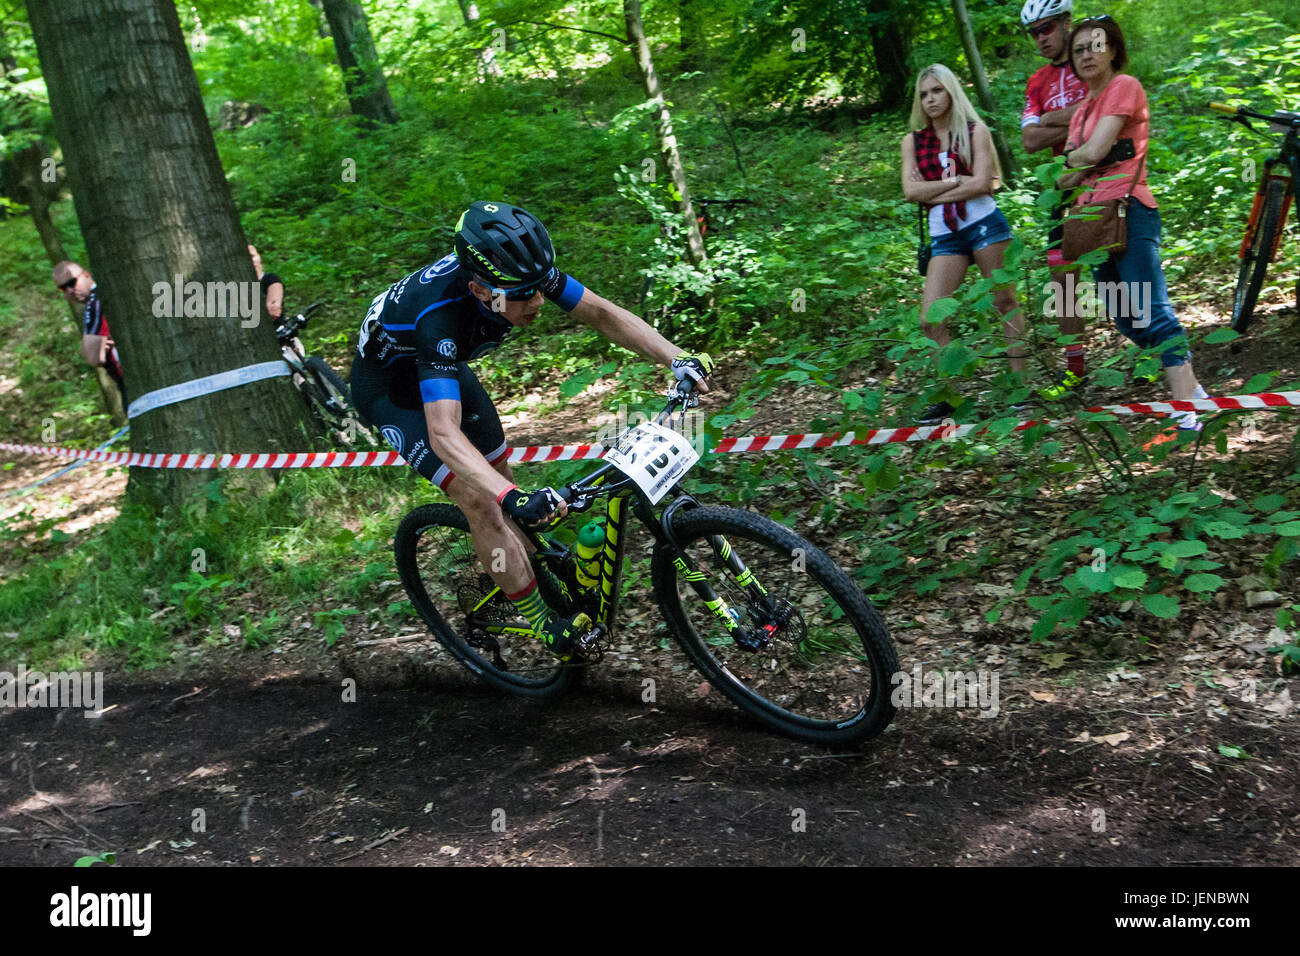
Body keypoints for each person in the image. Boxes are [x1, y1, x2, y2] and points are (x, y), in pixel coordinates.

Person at [349, 200, 714, 658]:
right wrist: (508, 499)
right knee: (485, 499)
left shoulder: (518, 273)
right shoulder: (439, 319)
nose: (538, 301)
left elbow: (601, 313)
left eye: (540, 287)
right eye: (523, 294)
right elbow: (443, 434)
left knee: (507, 487)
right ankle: (545, 624)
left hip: (443, 369)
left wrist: (675, 356)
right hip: (391, 390)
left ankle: (524, 567)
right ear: (482, 291)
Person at [1058, 16, 1207, 431]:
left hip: (1129, 211)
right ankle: (1192, 390)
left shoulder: (1125, 87)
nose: (1087, 54)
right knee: (1126, 318)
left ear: (1113, 50)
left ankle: (1187, 416)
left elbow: (1090, 153)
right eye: (1079, 49)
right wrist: (1083, 158)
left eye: (1096, 45)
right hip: (1092, 221)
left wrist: (1086, 157)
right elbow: (1065, 173)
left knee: (1155, 314)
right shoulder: (1080, 112)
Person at [901, 64, 1027, 425]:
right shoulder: (913, 141)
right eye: (924, 94)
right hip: (945, 234)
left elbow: (985, 184)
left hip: (984, 223)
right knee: (931, 318)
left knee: (1004, 300)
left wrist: (935, 189)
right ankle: (951, 396)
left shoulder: (976, 132)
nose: (931, 100)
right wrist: (958, 179)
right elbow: (910, 191)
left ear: (952, 92)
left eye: (937, 91)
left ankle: (1020, 387)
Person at [1020, 0, 1090, 395]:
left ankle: (1150, 356)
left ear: (1066, 22)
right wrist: (1078, 118)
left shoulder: (1092, 61)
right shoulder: (1037, 81)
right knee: (1063, 282)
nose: (1041, 38)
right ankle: (1075, 371)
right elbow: (1030, 141)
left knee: (1119, 274)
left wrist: (1052, 118)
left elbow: (1106, 111)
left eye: (1046, 28)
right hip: (1061, 185)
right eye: (1033, 32)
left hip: (1105, 178)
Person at [53, 260, 125, 402]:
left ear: (86, 275)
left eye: (72, 283)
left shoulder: (95, 303)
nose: (69, 290)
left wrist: (91, 348)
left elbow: (93, 357)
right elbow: (89, 353)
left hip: (129, 380)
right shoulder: (96, 302)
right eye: (63, 288)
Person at [249, 245, 284, 326]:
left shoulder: (271, 279)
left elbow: (273, 311)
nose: (250, 260)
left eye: (252, 256)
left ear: (259, 257)